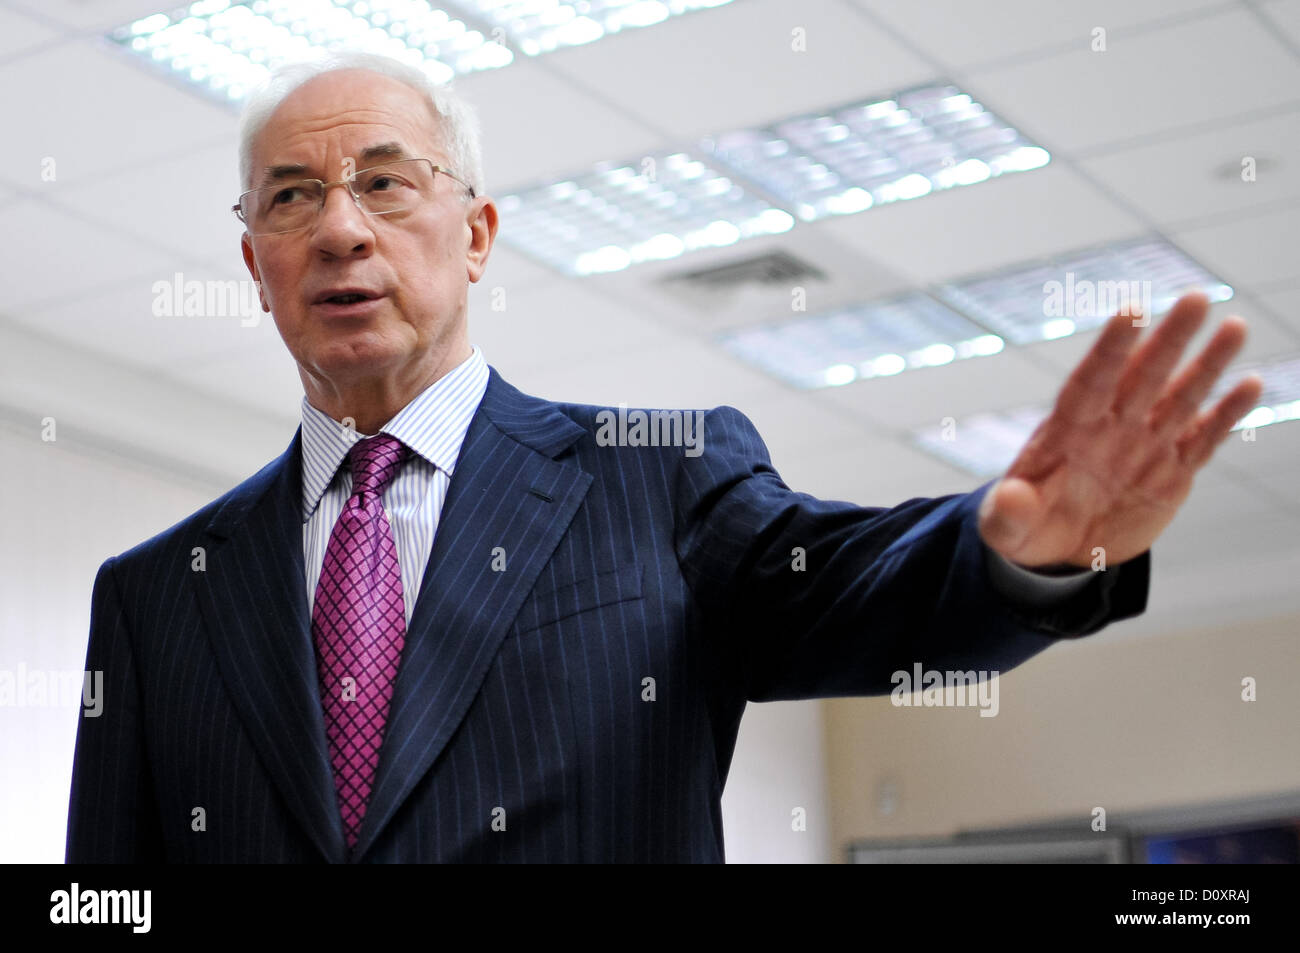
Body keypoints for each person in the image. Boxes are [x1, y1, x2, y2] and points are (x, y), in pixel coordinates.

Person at [64, 52, 1262, 863]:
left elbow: (859, 592)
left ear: (476, 233)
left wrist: (1015, 552)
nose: (338, 225)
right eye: (289, 196)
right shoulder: (160, 593)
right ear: (255, 266)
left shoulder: (655, 480)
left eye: (384, 181)